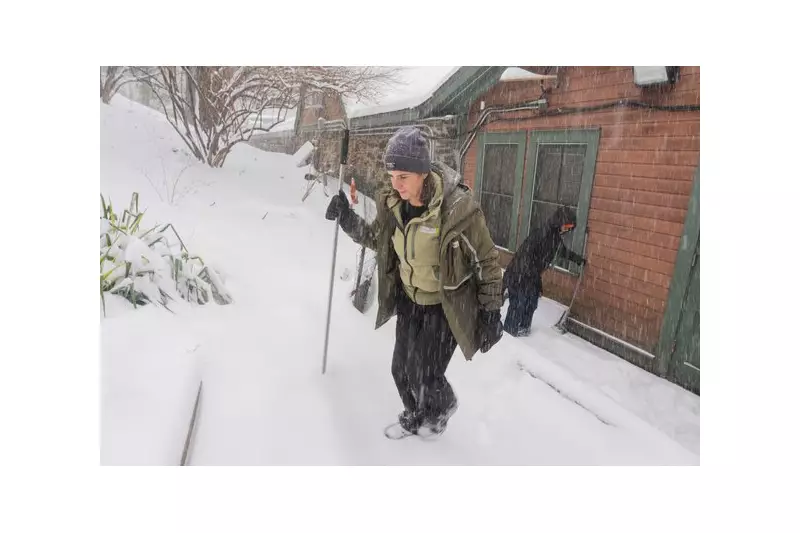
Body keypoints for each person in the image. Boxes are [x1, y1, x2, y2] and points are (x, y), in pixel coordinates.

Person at [325, 126, 504, 439]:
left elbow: (487, 262)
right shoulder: (394, 205)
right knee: (400, 370)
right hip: (410, 300)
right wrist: (347, 218)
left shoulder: (457, 212)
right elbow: (376, 239)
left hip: (443, 306)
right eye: (393, 176)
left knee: (427, 376)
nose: (396, 185)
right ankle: (416, 411)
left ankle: (440, 409)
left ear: (423, 173)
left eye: (404, 177)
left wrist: (490, 312)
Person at [502, 206, 586, 337]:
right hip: (519, 273)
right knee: (519, 303)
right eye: (567, 225)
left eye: (570, 227)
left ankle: (524, 328)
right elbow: (526, 254)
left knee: (532, 302)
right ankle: (509, 332)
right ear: (559, 222)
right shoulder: (542, 233)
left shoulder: (555, 238)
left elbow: (562, 252)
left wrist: (578, 260)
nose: (567, 229)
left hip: (531, 275)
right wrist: (529, 275)